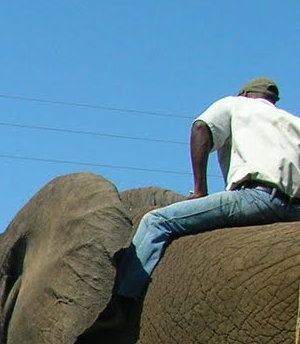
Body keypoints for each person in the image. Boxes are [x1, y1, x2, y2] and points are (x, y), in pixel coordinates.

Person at [116, 77, 300, 300]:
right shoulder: (293, 122)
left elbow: (201, 128)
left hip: (255, 198)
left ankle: (120, 302)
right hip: (294, 210)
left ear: (245, 94)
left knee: (156, 221)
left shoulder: (235, 104)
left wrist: (200, 189)